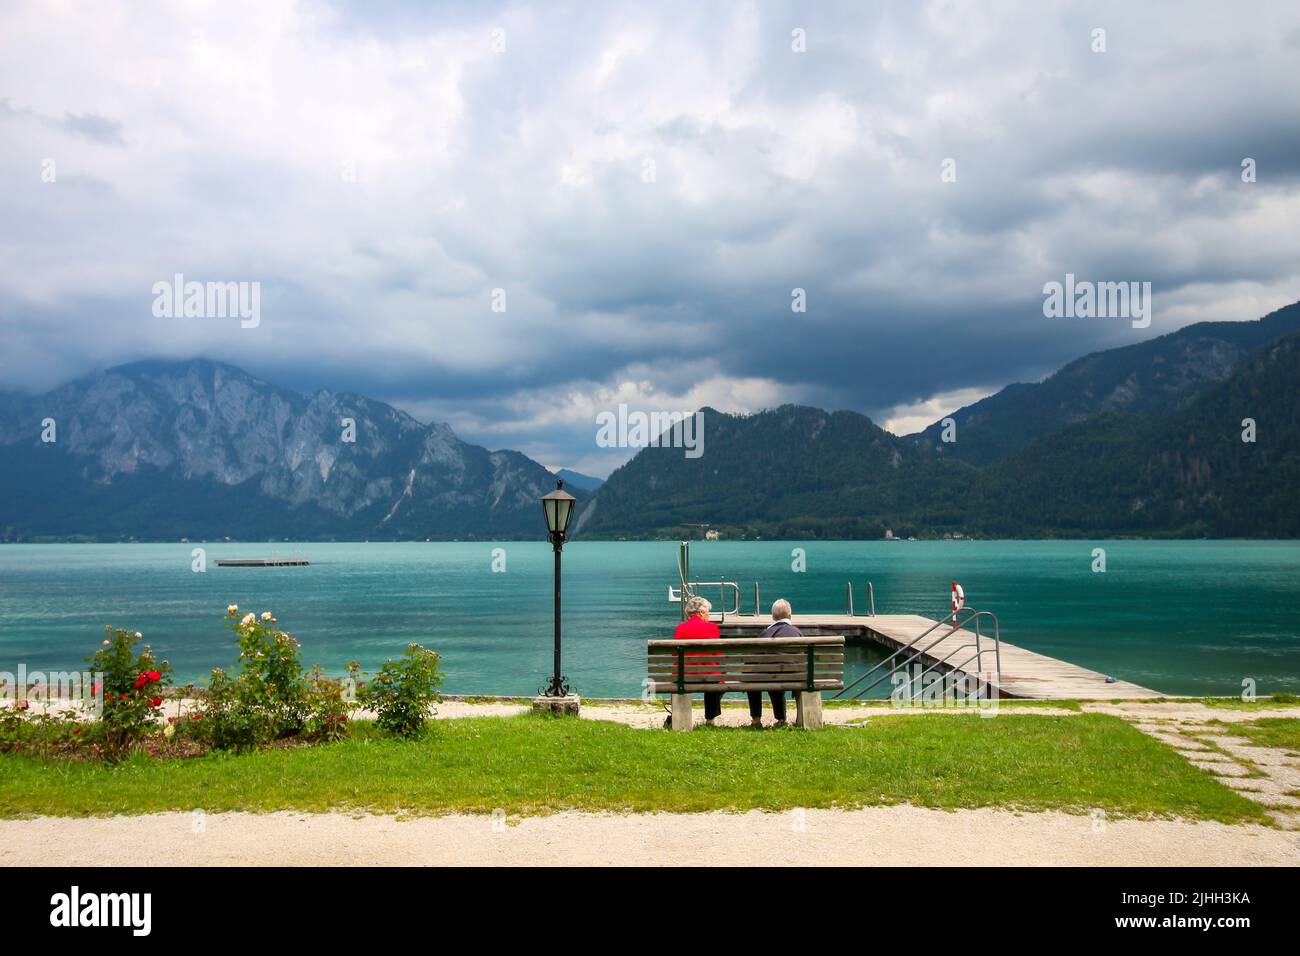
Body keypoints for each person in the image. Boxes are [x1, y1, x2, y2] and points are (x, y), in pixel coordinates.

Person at [669, 595, 724, 726]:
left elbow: (673, 654)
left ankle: (679, 720)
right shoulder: (712, 627)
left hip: (683, 677)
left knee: (711, 675)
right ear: (701, 612)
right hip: (708, 677)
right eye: (708, 612)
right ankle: (710, 719)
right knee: (716, 677)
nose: (709, 616)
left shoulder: (680, 628)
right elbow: (718, 655)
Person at [749, 598, 799, 727]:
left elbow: (753, 660)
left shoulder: (766, 633)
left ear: (773, 616)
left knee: (753, 679)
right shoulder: (797, 633)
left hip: (770, 677)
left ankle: (756, 719)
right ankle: (781, 719)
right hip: (796, 678)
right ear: (790, 615)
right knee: (777, 677)